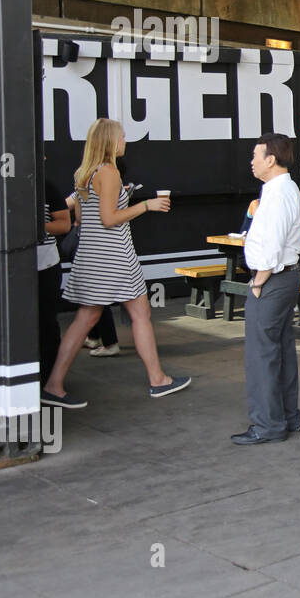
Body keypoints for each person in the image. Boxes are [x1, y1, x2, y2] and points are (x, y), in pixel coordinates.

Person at [43, 118, 190, 408]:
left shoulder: (84, 173)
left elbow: (82, 217)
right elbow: (109, 219)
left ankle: (53, 385)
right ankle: (158, 380)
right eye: (121, 136)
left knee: (87, 318)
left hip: (92, 254)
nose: (125, 141)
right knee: (139, 314)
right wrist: (145, 205)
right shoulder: (109, 172)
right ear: (110, 141)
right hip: (114, 256)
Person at [233, 133, 300, 446]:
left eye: (256, 155)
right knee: (281, 350)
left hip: (273, 279)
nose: (252, 161)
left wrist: (259, 281)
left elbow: (273, 245)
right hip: (285, 277)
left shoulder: (277, 194)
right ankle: (287, 417)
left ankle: (267, 425)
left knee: (261, 355)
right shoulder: (285, 189)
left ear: (271, 159)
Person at [65, 189, 121, 356]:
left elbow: (71, 209)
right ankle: (94, 337)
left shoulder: (88, 186)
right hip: (101, 242)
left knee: (95, 295)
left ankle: (110, 343)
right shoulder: (106, 186)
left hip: (91, 244)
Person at [37, 170, 72, 384]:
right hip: (6, 269)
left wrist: (32, 227)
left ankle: (50, 379)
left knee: (47, 322)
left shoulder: (46, 186)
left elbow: (64, 224)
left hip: (45, 265)